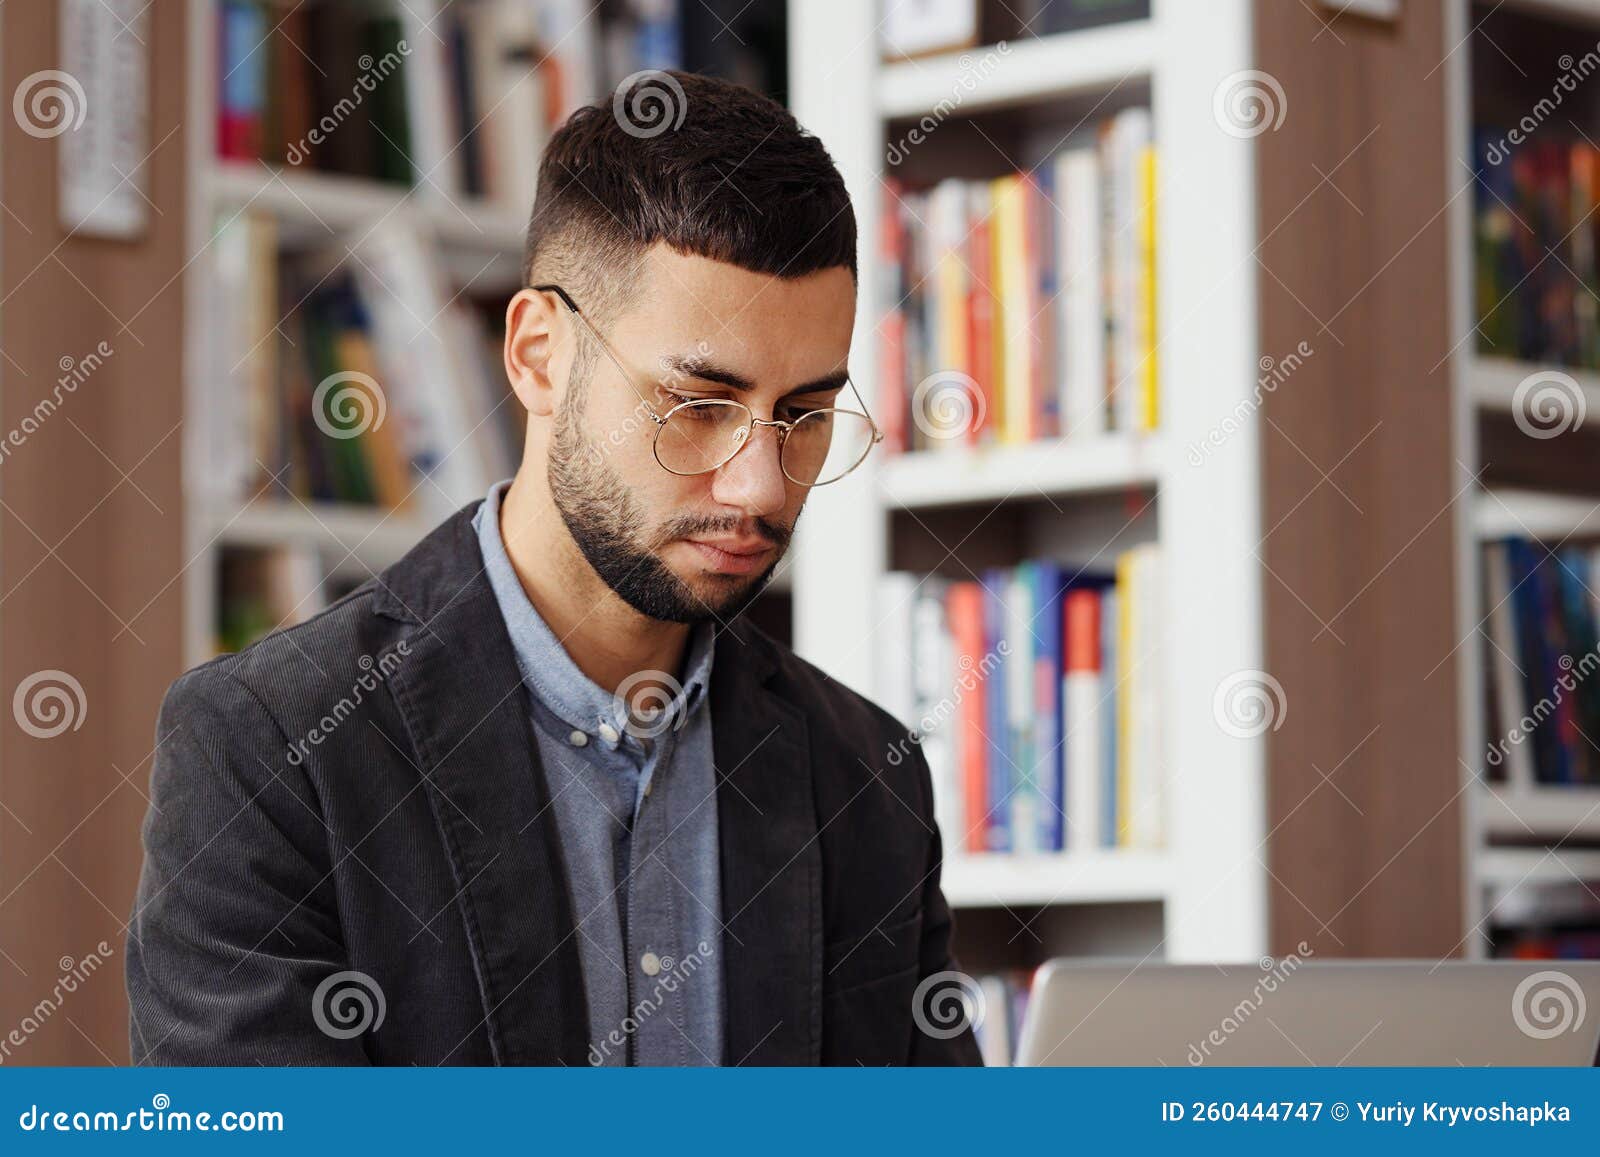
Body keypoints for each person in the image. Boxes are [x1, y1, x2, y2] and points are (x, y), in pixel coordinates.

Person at [126, 69, 980, 1067]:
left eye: (802, 415)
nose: (757, 485)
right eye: (696, 405)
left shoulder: (865, 777)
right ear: (537, 354)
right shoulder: (275, 747)